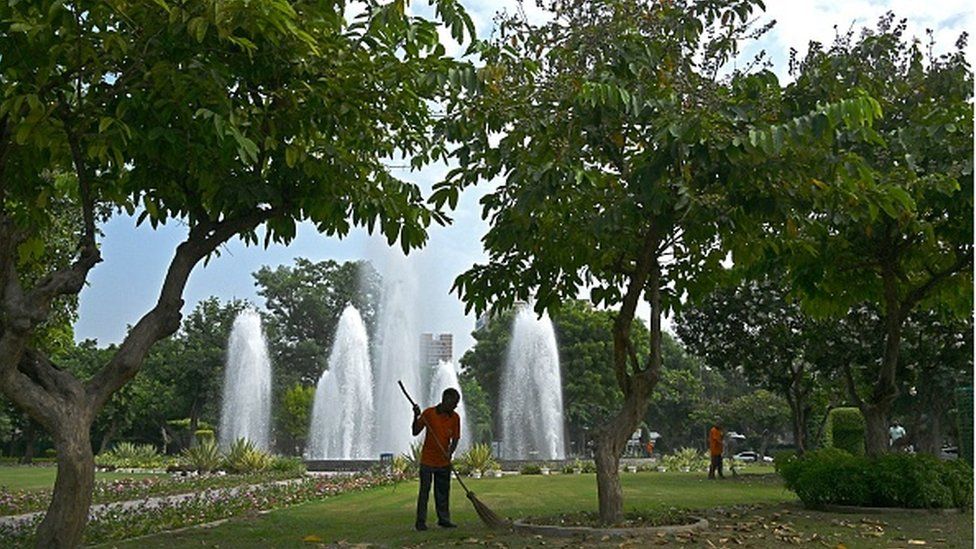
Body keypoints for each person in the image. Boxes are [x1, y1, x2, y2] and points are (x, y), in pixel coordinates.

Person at [411, 387, 461, 531]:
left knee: (443, 492)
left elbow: (456, 438)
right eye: (455, 403)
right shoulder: (429, 413)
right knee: (424, 492)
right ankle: (420, 522)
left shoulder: (455, 417)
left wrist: (450, 452)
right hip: (427, 461)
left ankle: (444, 520)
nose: (456, 406)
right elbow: (415, 431)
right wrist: (416, 416)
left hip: (443, 462)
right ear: (446, 400)